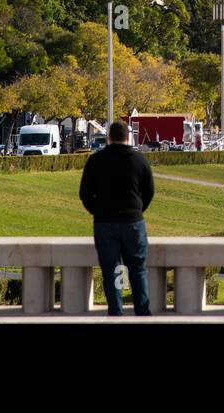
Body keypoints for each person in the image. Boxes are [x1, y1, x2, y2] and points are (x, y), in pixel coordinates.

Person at [79, 120, 154, 316]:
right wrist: (137, 210)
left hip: (105, 224)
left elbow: (85, 194)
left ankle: (116, 312)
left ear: (109, 137)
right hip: (133, 223)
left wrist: (98, 211)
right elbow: (149, 192)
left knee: (112, 270)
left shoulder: (96, 161)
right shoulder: (139, 160)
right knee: (137, 270)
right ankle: (143, 312)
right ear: (127, 137)